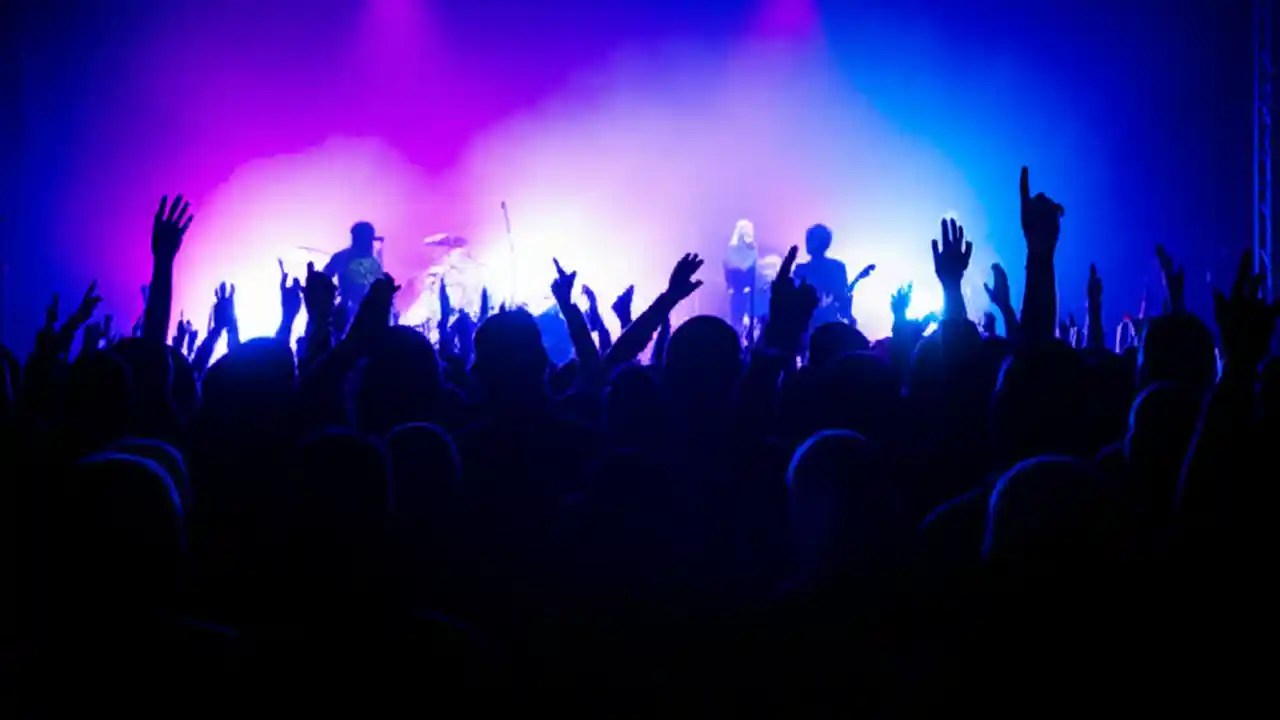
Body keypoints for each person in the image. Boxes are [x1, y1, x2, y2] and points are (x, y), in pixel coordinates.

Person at [323, 221, 384, 316]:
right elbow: (325, 277)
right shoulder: (342, 257)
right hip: (349, 312)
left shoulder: (341, 256)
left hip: (363, 312)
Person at [794, 223, 850, 326]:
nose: (807, 241)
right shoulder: (800, 269)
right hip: (804, 322)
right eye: (807, 238)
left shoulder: (836, 267)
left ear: (823, 242)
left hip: (828, 322)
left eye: (811, 238)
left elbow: (842, 295)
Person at [723, 218, 759, 334]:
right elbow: (728, 266)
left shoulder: (752, 248)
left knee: (748, 322)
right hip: (737, 290)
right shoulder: (732, 249)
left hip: (749, 292)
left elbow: (753, 268)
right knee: (736, 320)